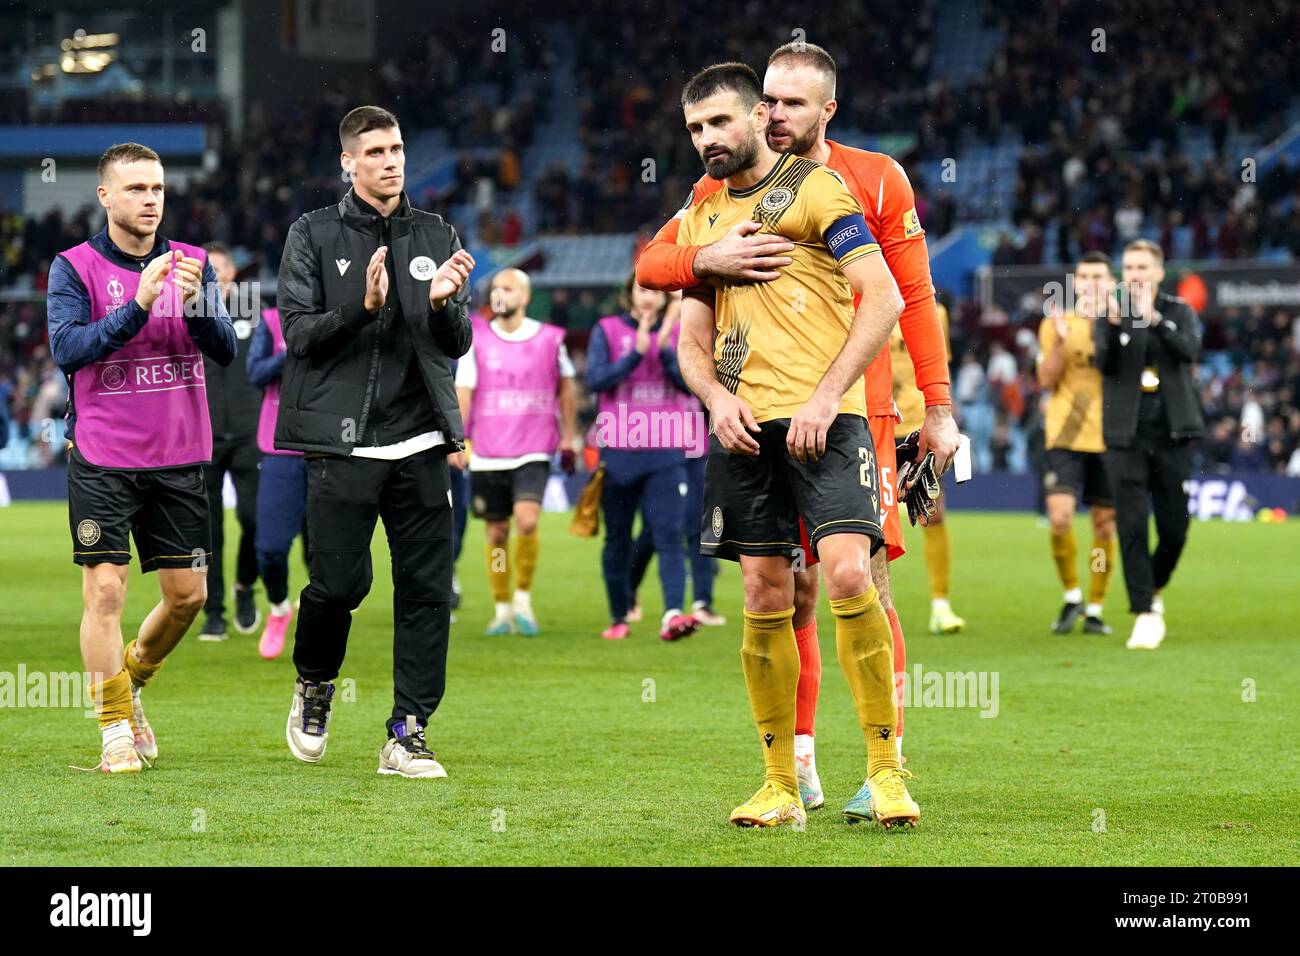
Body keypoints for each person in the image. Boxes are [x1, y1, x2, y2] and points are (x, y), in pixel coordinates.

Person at [636, 43, 957, 814]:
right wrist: (703, 263)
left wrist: (937, 407)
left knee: (861, 577)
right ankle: (796, 768)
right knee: (784, 588)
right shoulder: (712, 193)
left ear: (824, 111)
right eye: (768, 100)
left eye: (787, 104)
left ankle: (888, 762)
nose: (774, 114)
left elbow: (909, 296)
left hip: (856, 405)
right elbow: (658, 266)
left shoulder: (867, 179)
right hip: (754, 412)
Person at [275, 106, 476, 777]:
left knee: (425, 590)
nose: (391, 161)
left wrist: (446, 304)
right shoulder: (312, 233)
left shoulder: (436, 231)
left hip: (419, 438)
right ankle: (314, 685)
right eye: (376, 152)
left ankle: (408, 731)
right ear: (348, 162)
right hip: (342, 442)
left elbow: (456, 345)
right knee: (337, 585)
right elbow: (297, 335)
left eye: (397, 148)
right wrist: (359, 310)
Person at [46, 142, 236, 773]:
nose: (150, 200)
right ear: (106, 196)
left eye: (157, 189)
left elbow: (226, 349)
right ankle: (114, 734)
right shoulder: (72, 268)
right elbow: (68, 350)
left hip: (180, 453)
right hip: (103, 452)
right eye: (135, 189)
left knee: (188, 598)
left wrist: (197, 305)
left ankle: (129, 687)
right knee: (106, 591)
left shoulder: (193, 263)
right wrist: (138, 307)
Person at [1095, 239, 1205, 650]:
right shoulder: (1111, 314)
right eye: (1129, 267)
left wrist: (1154, 319)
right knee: (1132, 523)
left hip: (1173, 432)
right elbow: (1102, 365)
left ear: (1159, 272)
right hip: (1125, 434)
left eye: (1143, 267)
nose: (1136, 274)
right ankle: (1142, 611)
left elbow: (1189, 350)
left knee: (1176, 527)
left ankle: (1153, 587)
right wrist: (1109, 326)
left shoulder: (1179, 311)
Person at [455, 267, 577, 636]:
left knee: (526, 521)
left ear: (524, 297)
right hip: (489, 449)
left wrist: (570, 436)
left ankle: (523, 598)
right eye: (494, 289)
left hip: (534, 447)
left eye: (507, 289)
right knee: (495, 534)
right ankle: (501, 608)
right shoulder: (476, 340)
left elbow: (567, 388)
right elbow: (464, 391)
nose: (499, 294)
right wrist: (457, 438)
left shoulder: (551, 339)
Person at [586, 278, 701, 642]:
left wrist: (666, 346)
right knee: (617, 538)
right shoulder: (607, 329)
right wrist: (634, 354)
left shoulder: (683, 333)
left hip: (666, 448)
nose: (648, 296)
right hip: (618, 448)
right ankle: (619, 616)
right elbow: (595, 380)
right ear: (630, 294)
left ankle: (672, 614)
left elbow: (692, 385)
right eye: (642, 289)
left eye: (655, 291)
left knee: (669, 535)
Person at [1036, 252, 1118, 635]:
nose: (1091, 283)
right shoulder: (1056, 324)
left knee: (1104, 527)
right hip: (1065, 432)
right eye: (1084, 276)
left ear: (1111, 282)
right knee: (1060, 519)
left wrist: (1118, 328)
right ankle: (1072, 595)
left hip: (1111, 435)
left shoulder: (1124, 325)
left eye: (1098, 276)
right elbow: (1045, 381)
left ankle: (1096, 607)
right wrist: (1059, 345)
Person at [198, 242, 263, 640]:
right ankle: (214, 611)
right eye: (207, 267)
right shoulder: (184, 314)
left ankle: (244, 586)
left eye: (220, 266)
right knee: (207, 532)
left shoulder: (254, 311)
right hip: (201, 436)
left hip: (249, 432)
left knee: (255, 519)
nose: (215, 273)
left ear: (233, 272)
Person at [892, 298, 968, 635]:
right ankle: (869, 605)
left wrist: (945, 417)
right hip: (871, 423)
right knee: (871, 523)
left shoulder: (932, 311)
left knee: (933, 513)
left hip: (918, 426)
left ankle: (940, 605)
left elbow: (938, 369)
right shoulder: (857, 295)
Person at [245, 305, 305, 659]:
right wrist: (290, 353)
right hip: (279, 448)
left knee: (329, 551)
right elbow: (255, 372)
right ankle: (280, 608)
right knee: (269, 549)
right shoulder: (270, 321)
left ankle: (316, 619)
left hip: (330, 447)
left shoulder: (343, 309)